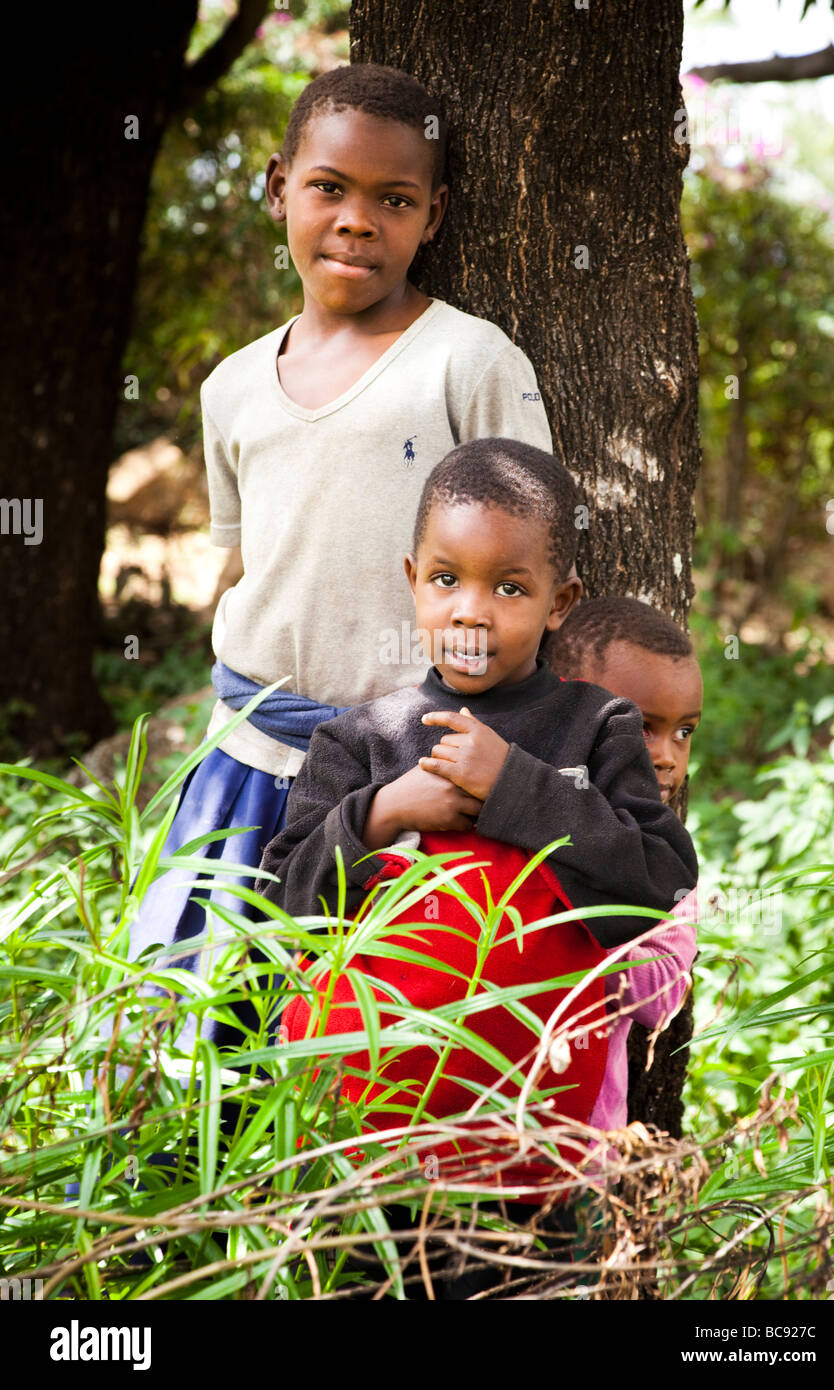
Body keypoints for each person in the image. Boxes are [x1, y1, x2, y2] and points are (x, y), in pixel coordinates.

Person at [126, 64, 553, 1046]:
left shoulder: (469, 364)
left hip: (402, 769)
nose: (357, 221)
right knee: (207, 1035)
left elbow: (530, 574)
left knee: (370, 1041)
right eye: (329, 188)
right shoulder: (231, 387)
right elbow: (246, 567)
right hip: (244, 754)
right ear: (279, 187)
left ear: (431, 215)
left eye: (392, 199)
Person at [257, 439, 699, 1217]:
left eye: (509, 588)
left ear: (559, 603)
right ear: (412, 582)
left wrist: (516, 788)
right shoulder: (362, 740)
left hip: (537, 1152)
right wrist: (384, 812)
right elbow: (282, 907)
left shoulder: (595, 729)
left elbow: (656, 882)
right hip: (364, 1153)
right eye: (446, 579)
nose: (470, 609)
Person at [561, 596, 703, 1137]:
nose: (667, 755)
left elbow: (664, 991)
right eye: (642, 727)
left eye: (684, 732)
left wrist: (561, 945)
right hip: (460, 1136)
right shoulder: (517, 809)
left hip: (580, 1150)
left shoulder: (663, 857)